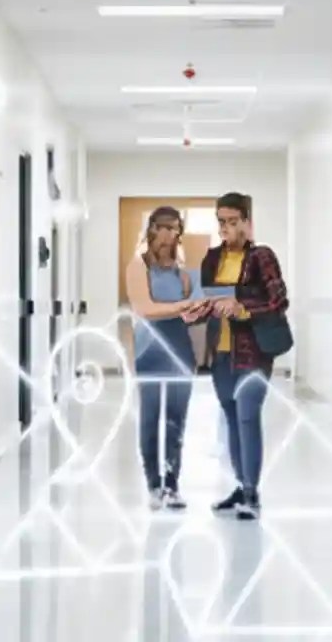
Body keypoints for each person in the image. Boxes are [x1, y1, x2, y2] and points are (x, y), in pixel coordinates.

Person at [200, 192, 289, 521]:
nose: (226, 228)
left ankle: (252, 493)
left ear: (247, 223)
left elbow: (279, 301)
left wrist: (243, 309)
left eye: (233, 222)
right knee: (232, 419)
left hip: (252, 353)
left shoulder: (261, 257)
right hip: (221, 354)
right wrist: (193, 309)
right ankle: (241, 485)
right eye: (221, 222)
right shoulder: (212, 259)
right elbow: (208, 303)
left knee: (248, 417)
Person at [126, 206, 210, 510]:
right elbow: (144, 309)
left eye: (174, 228)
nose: (168, 234)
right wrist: (183, 306)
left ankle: (172, 486)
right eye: (163, 227)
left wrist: (199, 310)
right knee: (150, 419)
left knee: (176, 421)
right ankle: (153, 484)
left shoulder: (185, 275)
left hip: (179, 353)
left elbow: (190, 316)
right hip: (150, 353)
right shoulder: (138, 267)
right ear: (151, 230)